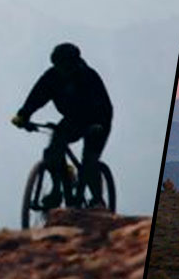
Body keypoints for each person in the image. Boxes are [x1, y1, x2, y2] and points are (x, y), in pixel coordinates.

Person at [11, 42, 112, 208]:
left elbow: (102, 105)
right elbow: (37, 97)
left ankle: (97, 200)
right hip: (73, 119)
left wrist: (98, 124)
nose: (61, 70)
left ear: (74, 64)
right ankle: (57, 190)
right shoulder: (52, 76)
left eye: (65, 66)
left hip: (98, 120)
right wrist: (23, 115)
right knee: (52, 152)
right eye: (58, 66)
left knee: (89, 161)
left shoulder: (88, 76)